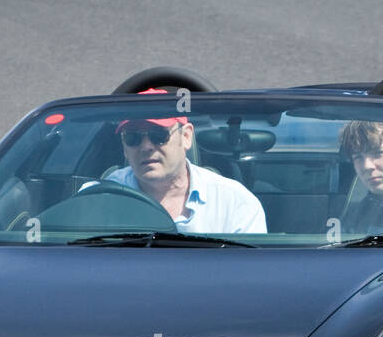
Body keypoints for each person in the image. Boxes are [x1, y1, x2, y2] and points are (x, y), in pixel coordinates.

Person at [103, 90, 266, 234]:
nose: (146, 146)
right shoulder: (101, 198)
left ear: (186, 137)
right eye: (133, 137)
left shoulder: (234, 203)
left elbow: (251, 267)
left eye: (158, 135)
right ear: (124, 147)